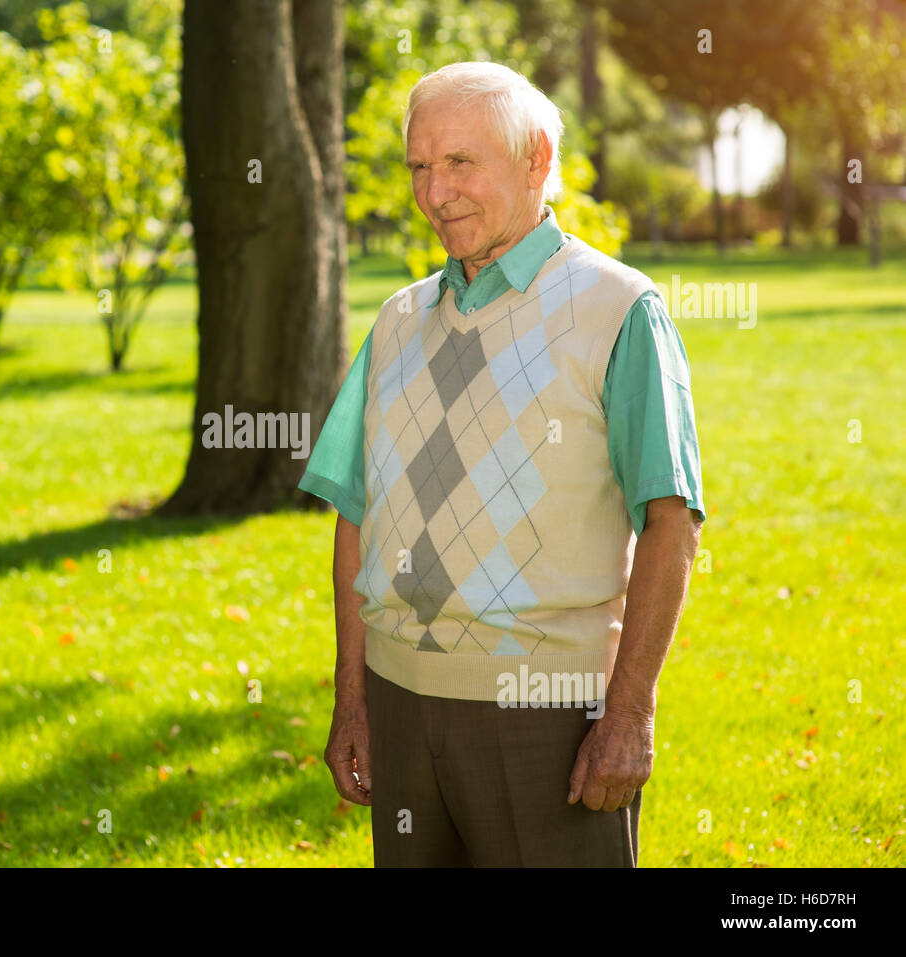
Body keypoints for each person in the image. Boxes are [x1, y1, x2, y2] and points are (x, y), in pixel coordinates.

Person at [298, 61, 706, 867]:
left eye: (459, 162)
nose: (434, 190)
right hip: (400, 705)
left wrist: (628, 714)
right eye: (419, 165)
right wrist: (354, 698)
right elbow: (356, 515)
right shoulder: (396, 320)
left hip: (547, 720)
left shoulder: (620, 309)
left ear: (535, 161)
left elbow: (670, 524)